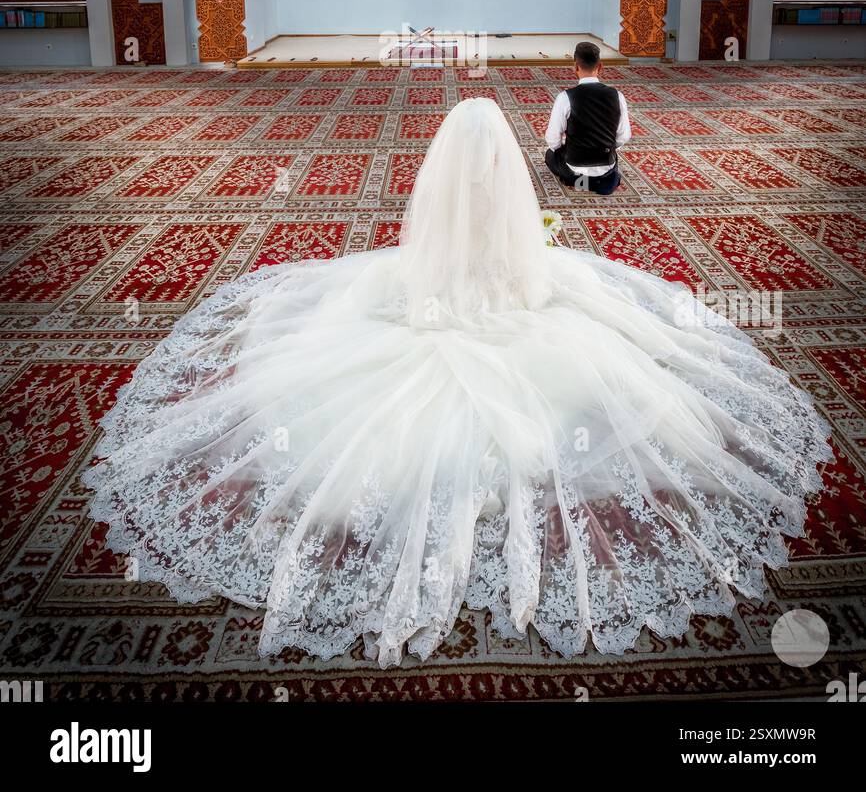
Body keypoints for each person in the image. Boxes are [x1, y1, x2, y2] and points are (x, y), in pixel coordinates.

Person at [84, 98, 830, 668]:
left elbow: (422, 279)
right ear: (504, 156)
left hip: (437, 311)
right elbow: (529, 292)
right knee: (609, 395)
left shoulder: (437, 200)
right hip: (506, 319)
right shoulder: (512, 200)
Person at [544, 40, 630, 193]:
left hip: (574, 165)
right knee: (609, 165)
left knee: (550, 155)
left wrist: (564, 149)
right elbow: (624, 136)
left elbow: (552, 140)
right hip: (605, 165)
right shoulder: (617, 96)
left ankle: (582, 182)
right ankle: (601, 181)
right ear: (600, 67)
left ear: (575, 67)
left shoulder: (565, 97)